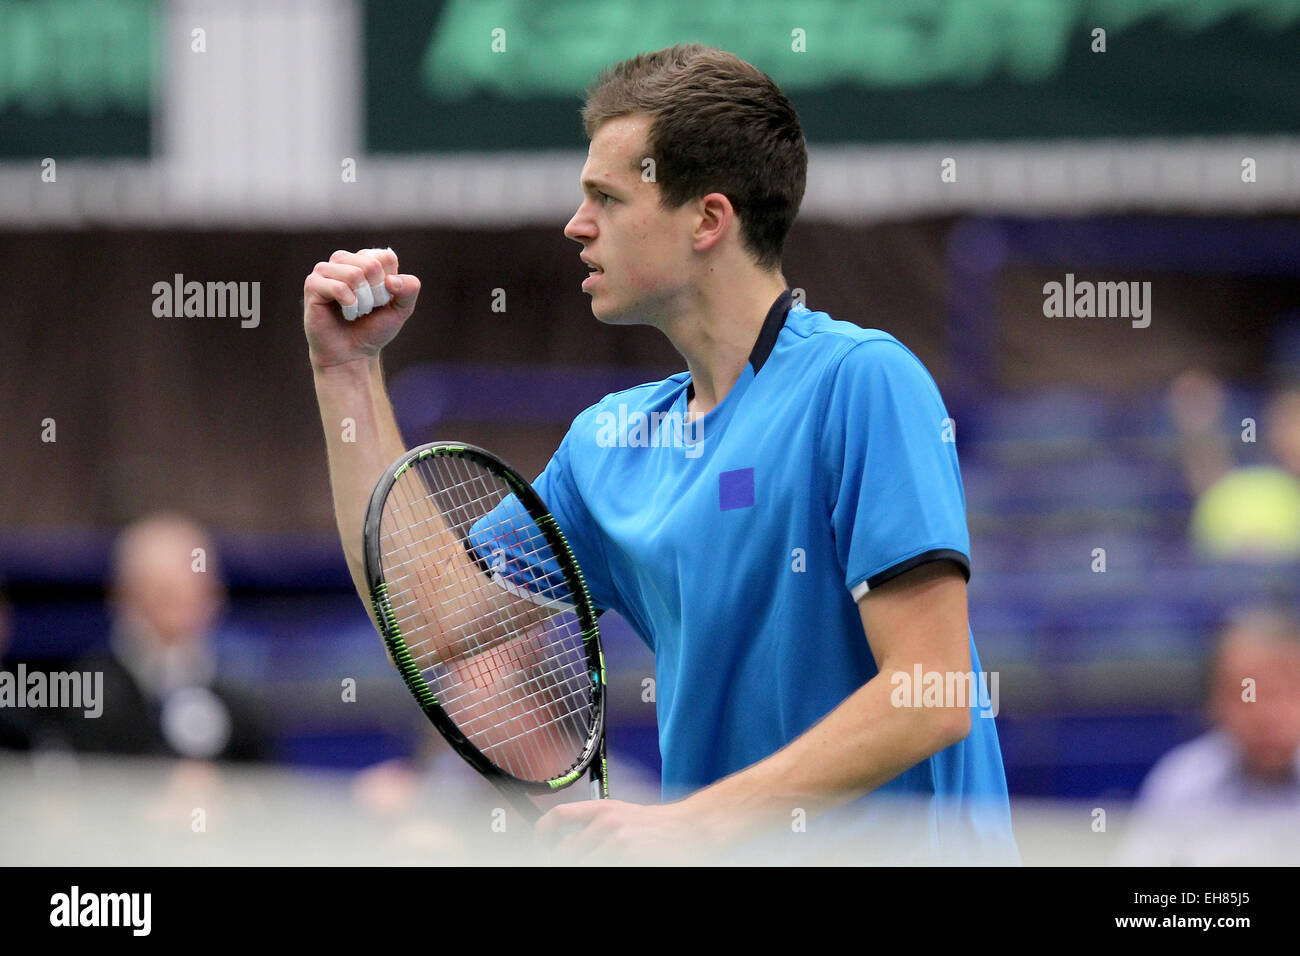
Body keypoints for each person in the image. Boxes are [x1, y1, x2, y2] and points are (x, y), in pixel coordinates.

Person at [304, 44, 1016, 863]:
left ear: (708, 219)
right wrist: (347, 372)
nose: (577, 224)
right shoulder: (608, 446)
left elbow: (930, 696)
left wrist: (691, 821)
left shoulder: (863, 384)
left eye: (606, 197)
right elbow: (431, 620)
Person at [69, 514, 269, 761]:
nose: (180, 607)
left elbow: (268, 781)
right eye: (162, 593)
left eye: (192, 589)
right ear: (122, 595)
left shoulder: (239, 694)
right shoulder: (93, 692)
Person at [1116, 608, 1300, 865]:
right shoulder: (1180, 781)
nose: (1266, 715)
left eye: (1282, 692)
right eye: (1246, 695)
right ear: (1215, 701)